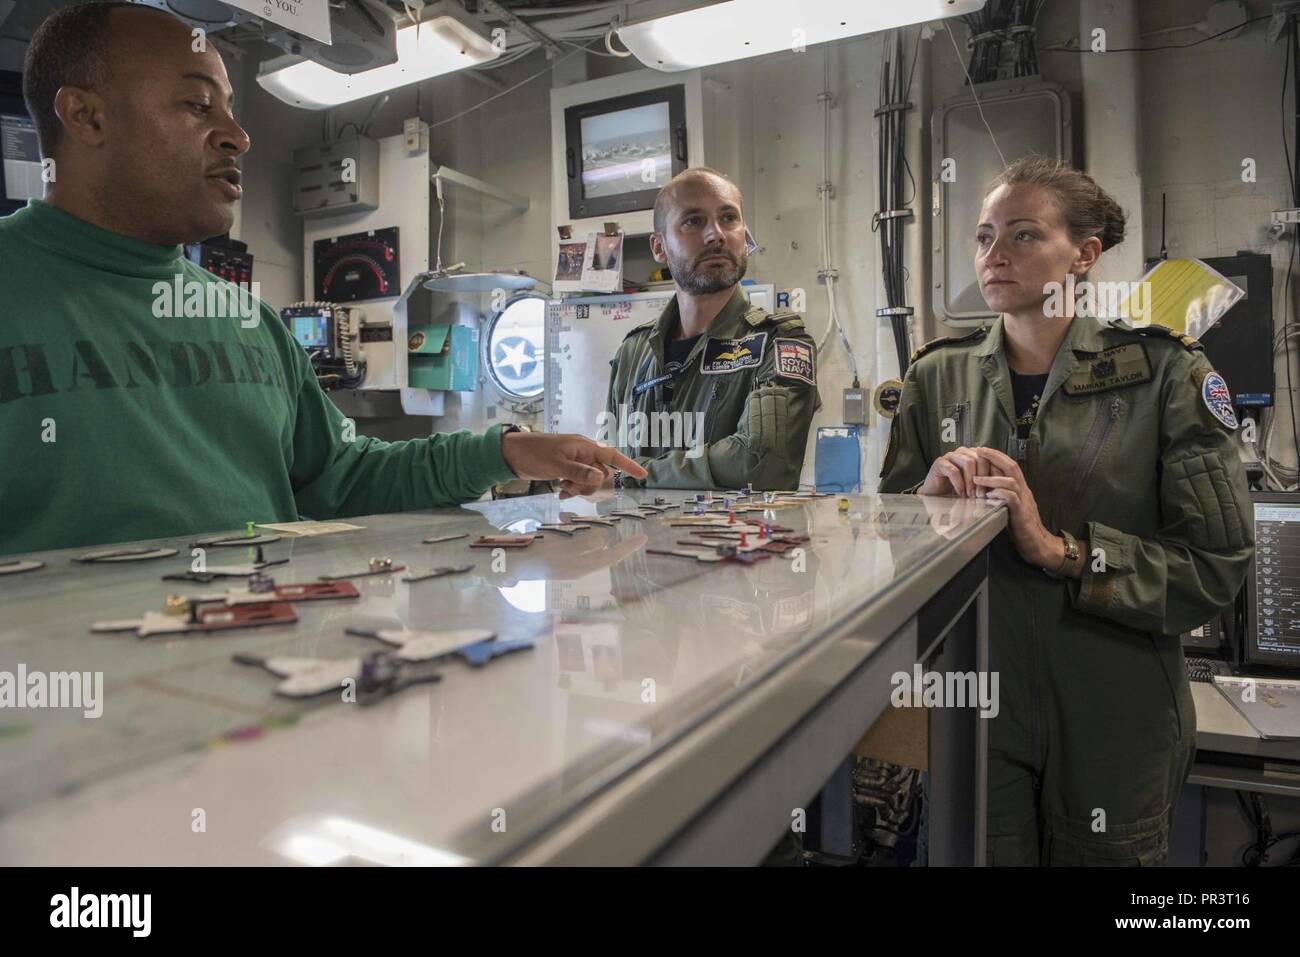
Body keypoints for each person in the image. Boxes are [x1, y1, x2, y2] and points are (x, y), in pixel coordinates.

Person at [0, 2, 643, 556]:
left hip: (251, 675)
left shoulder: (249, 322)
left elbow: (340, 478)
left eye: (230, 109)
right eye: (199, 106)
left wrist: (503, 453)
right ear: (86, 118)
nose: (238, 137)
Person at [879, 156, 1254, 865]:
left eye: (1022, 236)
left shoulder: (1164, 374)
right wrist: (919, 507)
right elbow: (885, 549)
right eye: (985, 236)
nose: (994, 255)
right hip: (975, 707)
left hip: (1116, 714)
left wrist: (1063, 551)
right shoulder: (935, 379)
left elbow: (1215, 565)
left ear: (1083, 255)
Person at [603, 167, 819, 490]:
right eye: (694, 221)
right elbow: (610, 464)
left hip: (737, 540)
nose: (716, 235)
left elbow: (759, 463)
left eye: (729, 218)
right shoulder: (634, 352)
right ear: (658, 247)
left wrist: (634, 476)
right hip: (638, 540)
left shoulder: (778, 342)